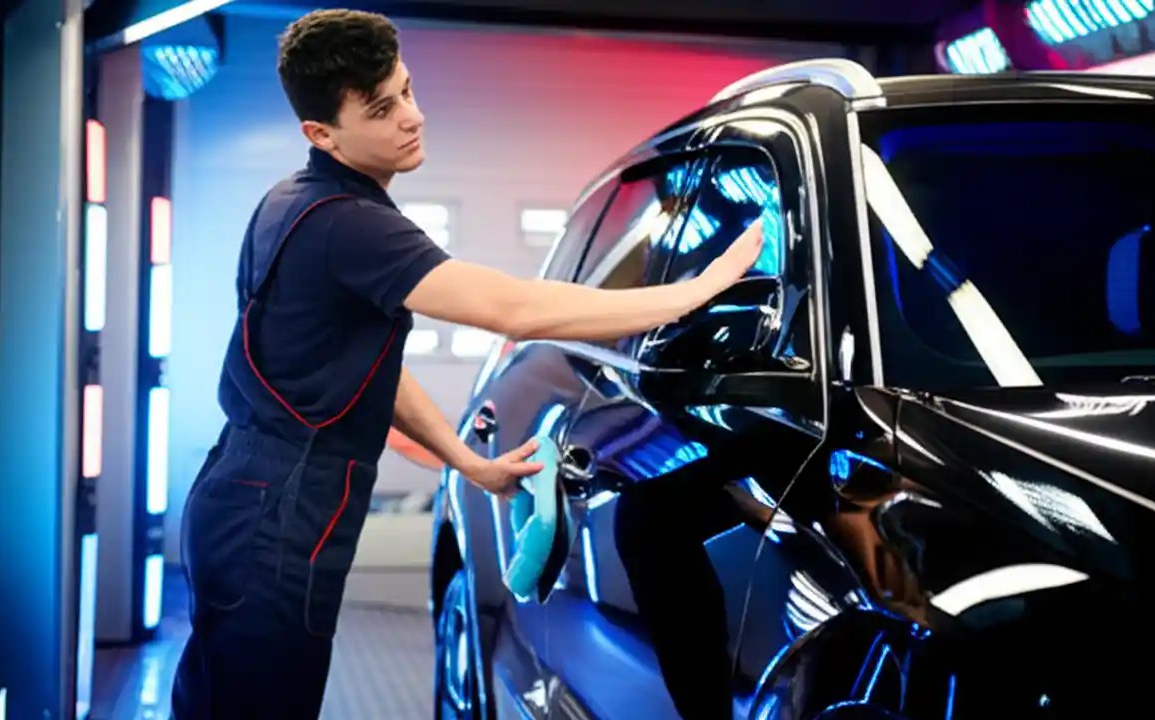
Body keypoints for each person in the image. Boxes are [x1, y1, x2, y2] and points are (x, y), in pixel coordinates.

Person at [169, 8, 764, 719]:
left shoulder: (294, 202)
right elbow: (513, 308)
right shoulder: (348, 225)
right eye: (383, 109)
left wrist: (466, 462)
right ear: (321, 133)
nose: (413, 118)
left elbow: (368, 372)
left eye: (408, 90)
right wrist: (693, 292)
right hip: (277, 521)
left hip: (240, 499)